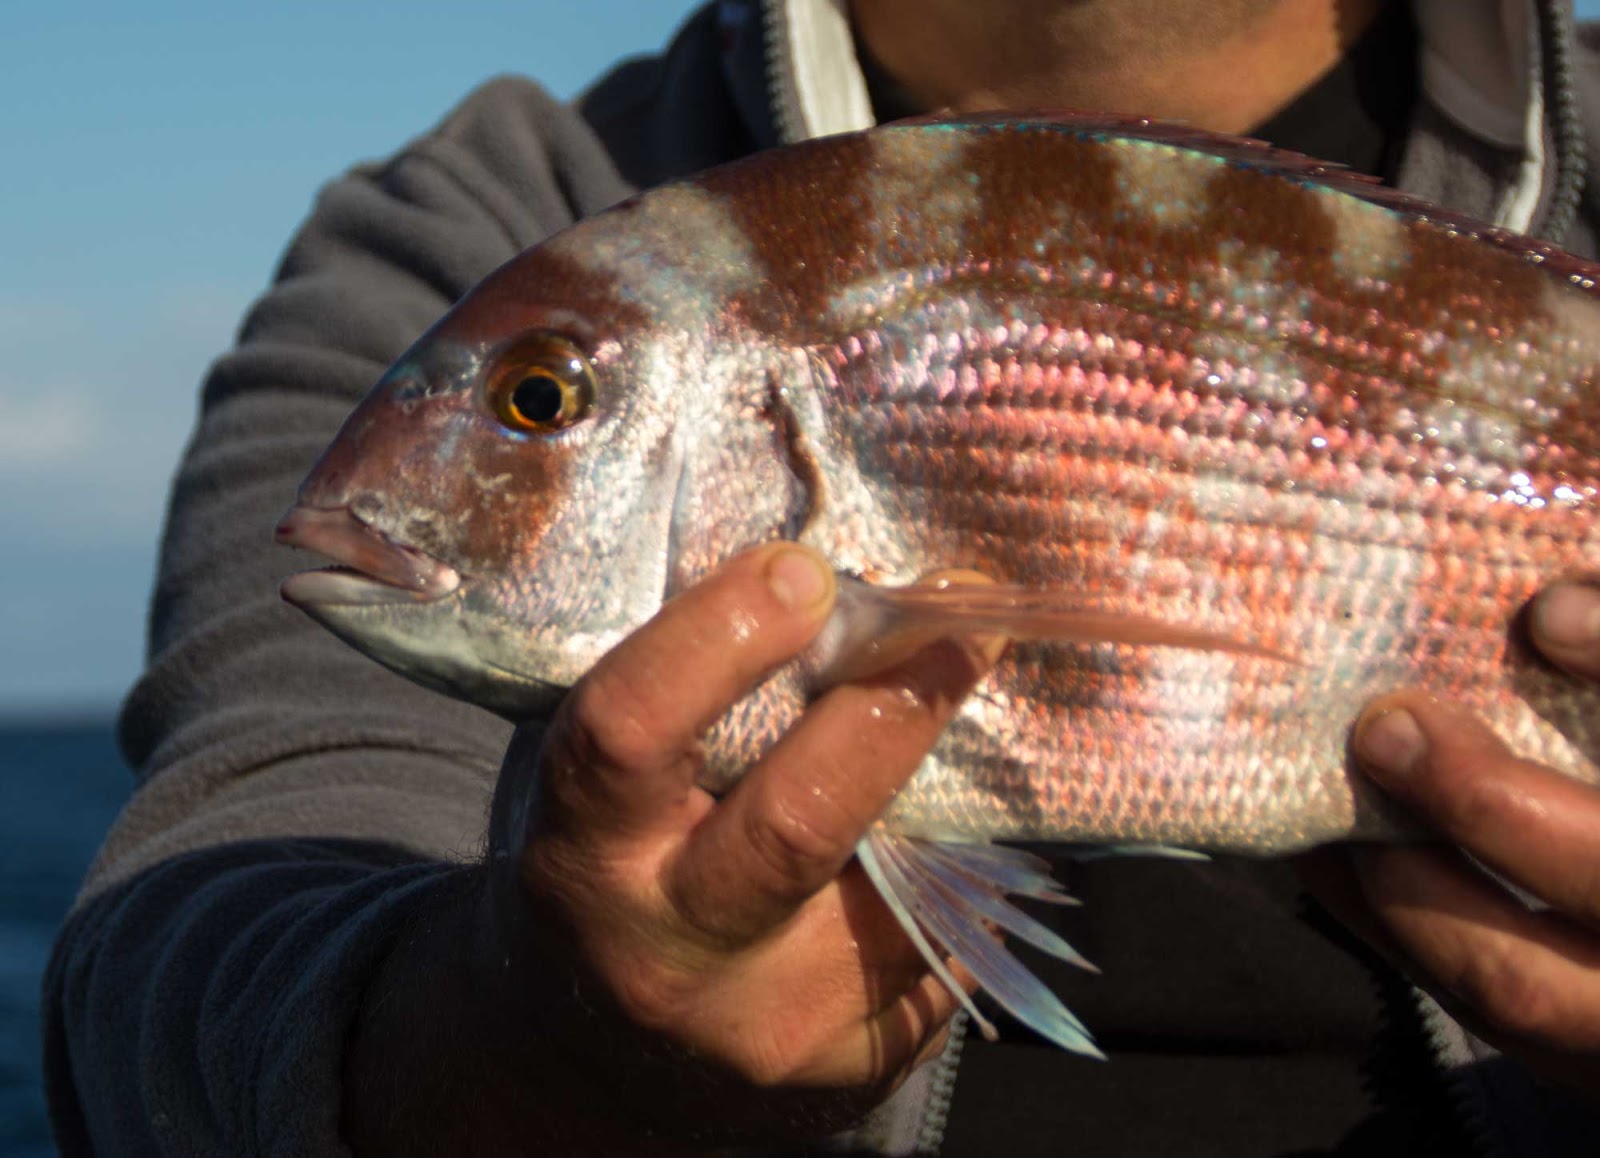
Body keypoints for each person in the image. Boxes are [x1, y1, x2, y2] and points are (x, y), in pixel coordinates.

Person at [42, 0, 1600, 1153]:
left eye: (536, 404)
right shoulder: (480, 217)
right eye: (543, 399)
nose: (511, 420)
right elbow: (172, 974)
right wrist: (531, 1040)